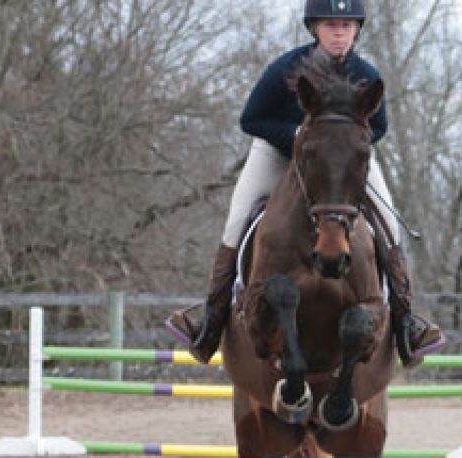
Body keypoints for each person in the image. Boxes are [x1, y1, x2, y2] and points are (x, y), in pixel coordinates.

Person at [166, 0, 444, 368]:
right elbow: (251, 118)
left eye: (347, 26)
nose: (339, 33)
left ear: (357, 29)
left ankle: (407, 323)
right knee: (236, 220)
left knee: (390, 225)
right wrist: (298, 135)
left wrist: (340, 148)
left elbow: (379, 128)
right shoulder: (286, 69)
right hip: (278, 151)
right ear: (314, 28)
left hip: (337, 162)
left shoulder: (365, 73)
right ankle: (211, 320)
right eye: (331, 25)